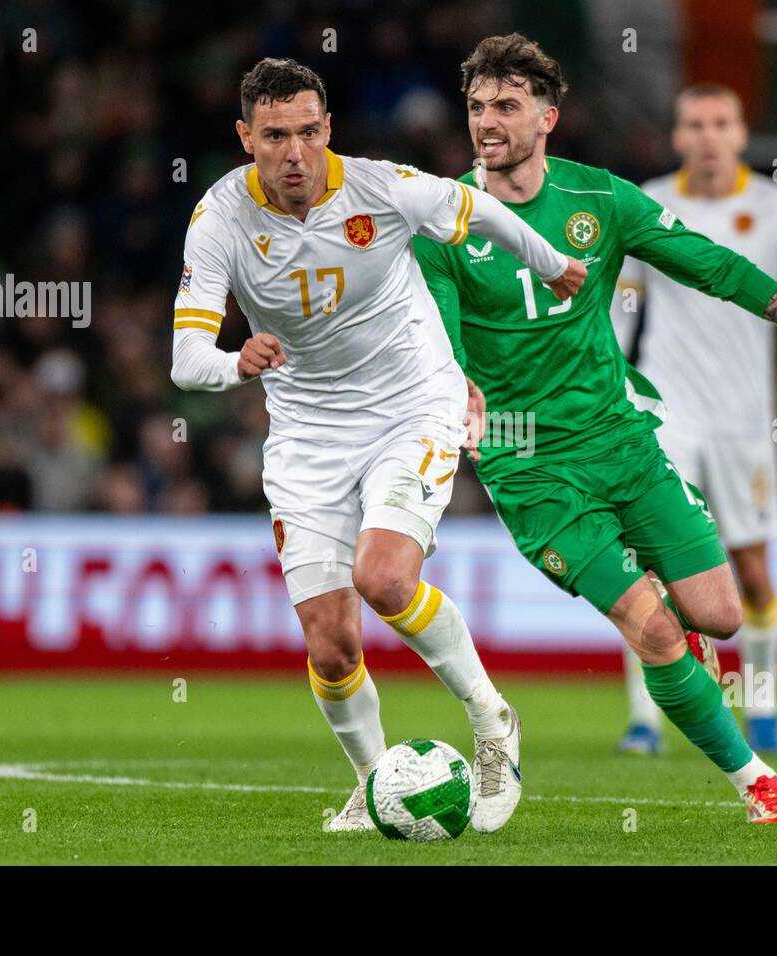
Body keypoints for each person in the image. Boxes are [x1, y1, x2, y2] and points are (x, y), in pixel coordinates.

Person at [414, 34, 777, 823]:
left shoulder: (602, 201)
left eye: (506, 105)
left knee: (722, 615)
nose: (486, 122)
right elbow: (442, 334)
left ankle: (677, 632)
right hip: (529, 463)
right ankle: (756, 781)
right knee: (655, 632)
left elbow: (714, 265)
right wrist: (461, 391)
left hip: (622, 439)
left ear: (548, 117)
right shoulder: (444, 219)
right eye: (476, 107)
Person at [170, 57, 586, 832]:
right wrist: (235, 363)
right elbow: (185, 359)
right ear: (245, 138)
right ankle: (373, 784)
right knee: (330, 646)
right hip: (306, 435)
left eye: (306, 133)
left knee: (384, 577)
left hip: (411, 405)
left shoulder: (379, 187)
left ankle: (493, 719)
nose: (293, 153)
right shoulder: (221, 216)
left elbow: (477, 209)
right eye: (273, 137)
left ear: (327, 129)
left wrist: (551, 260)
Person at [611, 83, 777, 756]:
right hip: (664, 417)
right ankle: (644, 721)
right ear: (678, 134)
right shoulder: (647, 204)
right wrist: (611, 393)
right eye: (696, 123)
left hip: (748, 425)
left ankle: (765, 707)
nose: (710, 134)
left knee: (750, 572)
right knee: (652, 571)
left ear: (742, 133)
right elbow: (621, 312)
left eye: (722, 121)